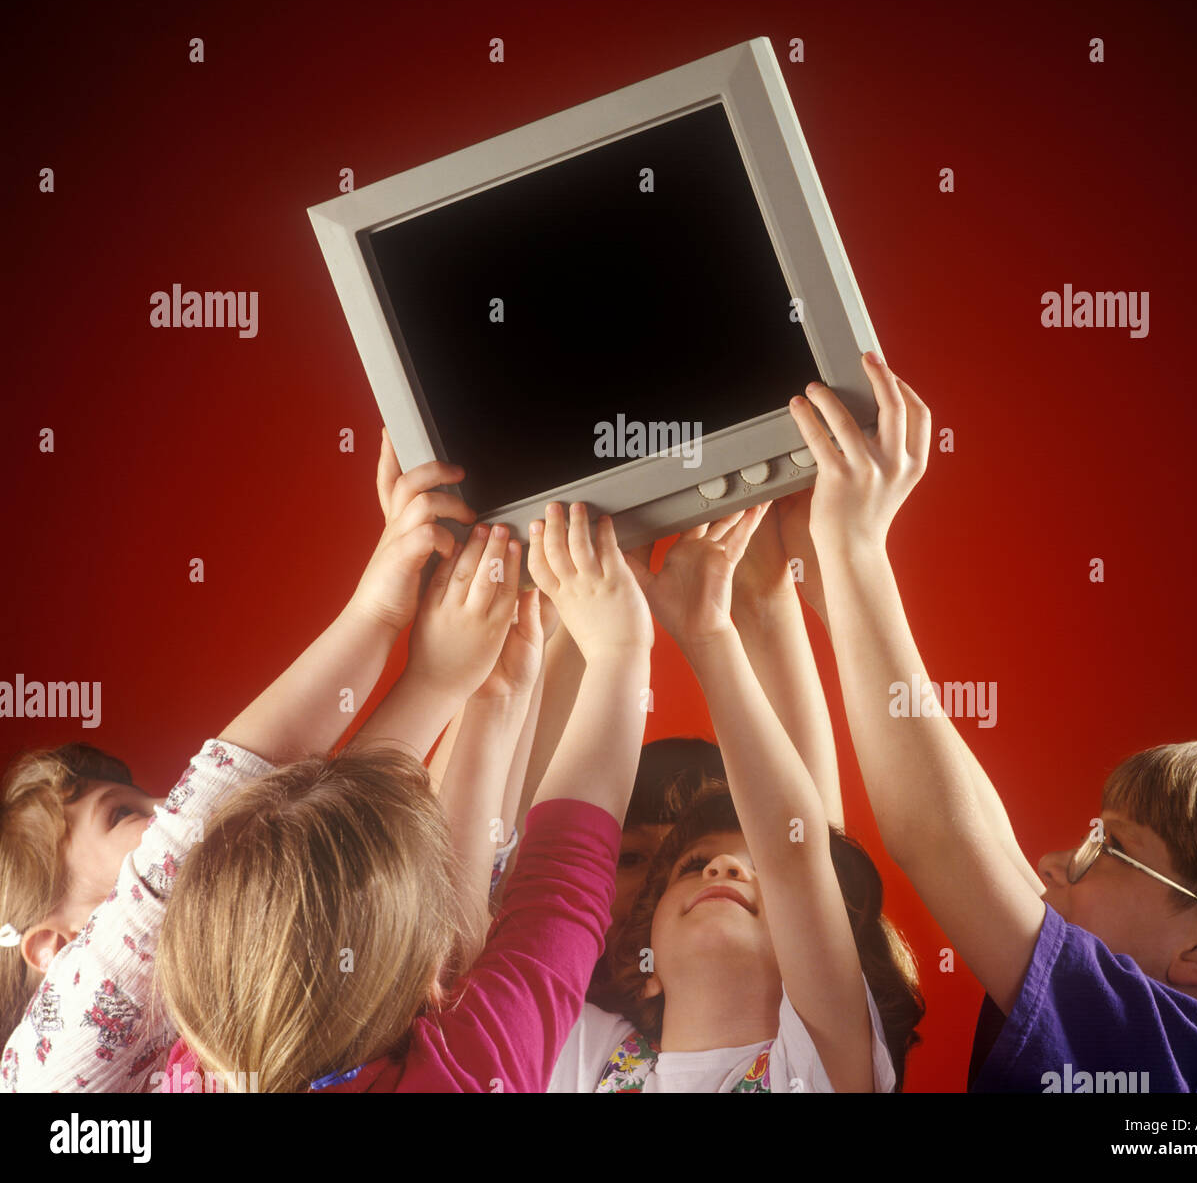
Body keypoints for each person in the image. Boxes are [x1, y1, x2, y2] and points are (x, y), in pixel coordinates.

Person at [787, 350, 1197, 1092]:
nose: (1052, 863)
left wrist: (856, 547)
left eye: (1108, 849)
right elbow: (980, 840)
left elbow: (944, 841)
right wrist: (832, 571)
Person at [0, 430, 474, 1091]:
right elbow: (195, 829)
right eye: (123, 817)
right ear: (57, 948)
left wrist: (440, 677)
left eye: (148, 800)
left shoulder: (234, 987)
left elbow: (328, 837)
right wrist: (377, 611)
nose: (170, 807)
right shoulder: (41, 1076)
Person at [157, 500, 653, 1093]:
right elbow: (559, 887)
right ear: (435, 982)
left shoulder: (201, 1065)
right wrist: (620, 651)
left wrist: (501, 696)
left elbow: (558, 899)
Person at [546, 504, 904, 1092]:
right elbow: (536, 884)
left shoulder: (814, 1068)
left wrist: (711, 634)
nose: (724, 866)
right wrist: (599, 610)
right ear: (645, 967)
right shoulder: (597, 1063)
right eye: (688, 868)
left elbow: (800, 856)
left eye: (754, 869)